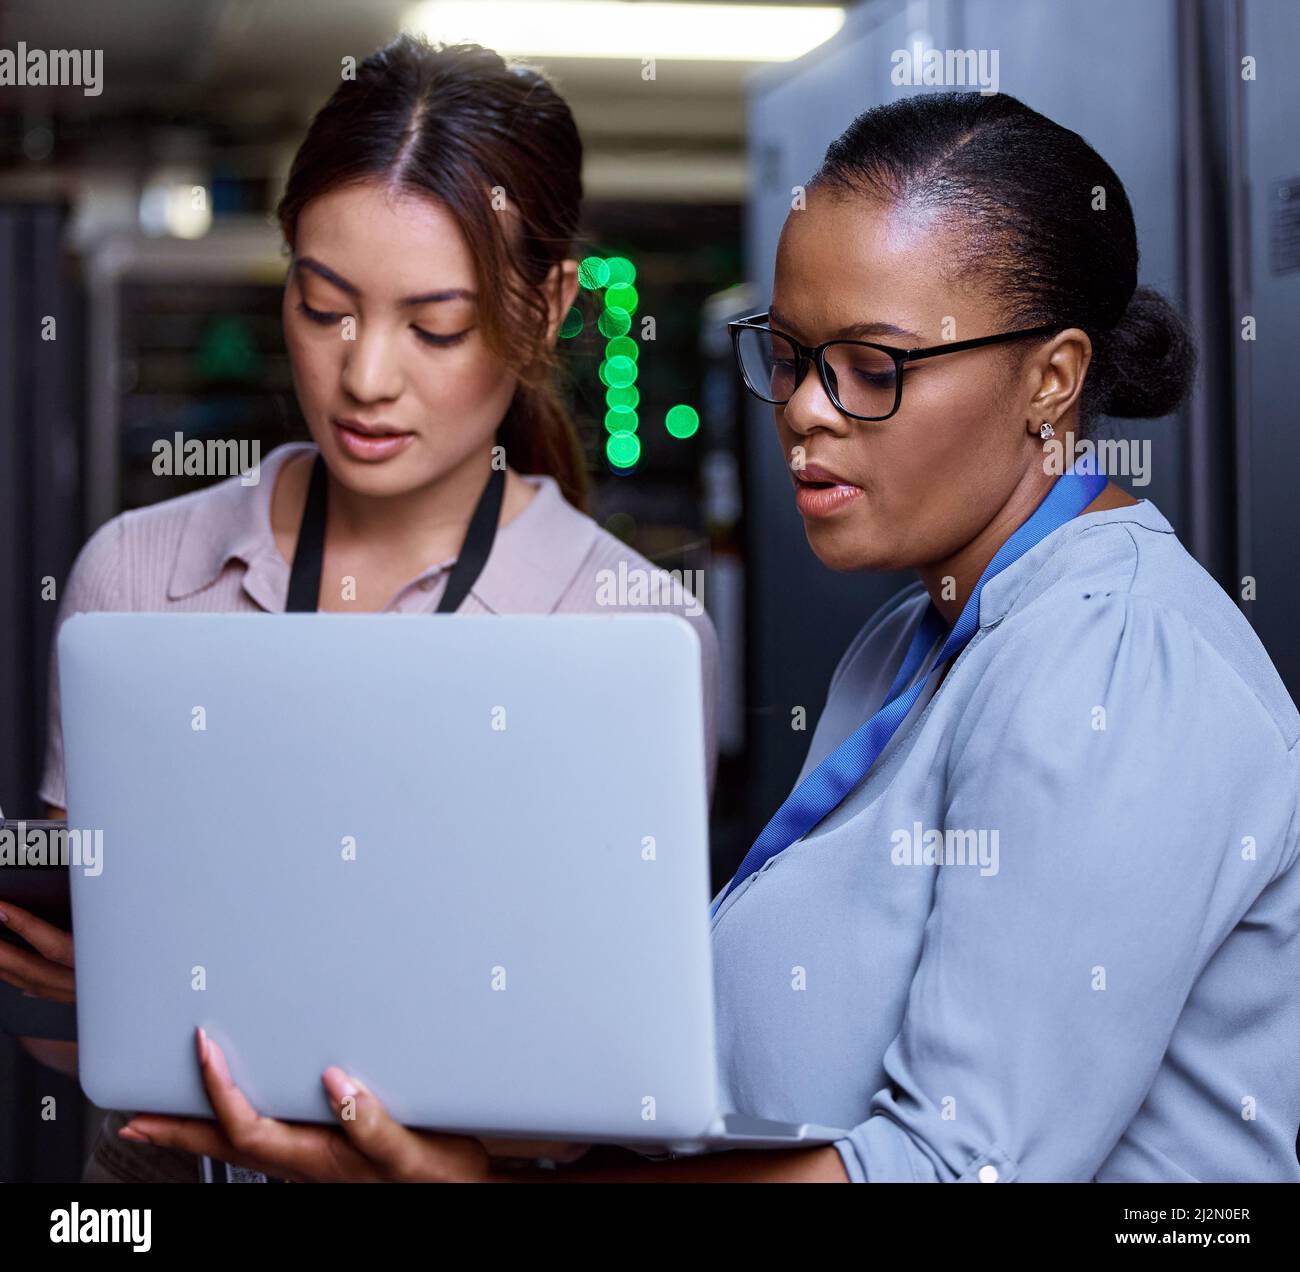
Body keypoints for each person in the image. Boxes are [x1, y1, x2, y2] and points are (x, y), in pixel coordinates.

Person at [110, 89, 1299, 1184]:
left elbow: (950, 1173)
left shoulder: (1117, 665)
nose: (804, 414)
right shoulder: (914, 639)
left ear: (1052, 379)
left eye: (870, 369)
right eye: (787, 358)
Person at [0, 35, 719, 1183]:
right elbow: (64, 1029)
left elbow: (602, 1092)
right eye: (325, 306)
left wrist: (226, 982)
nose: (367, 374)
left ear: (547, 305)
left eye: (435, 326)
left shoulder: (627, 629)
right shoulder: (137, 577)